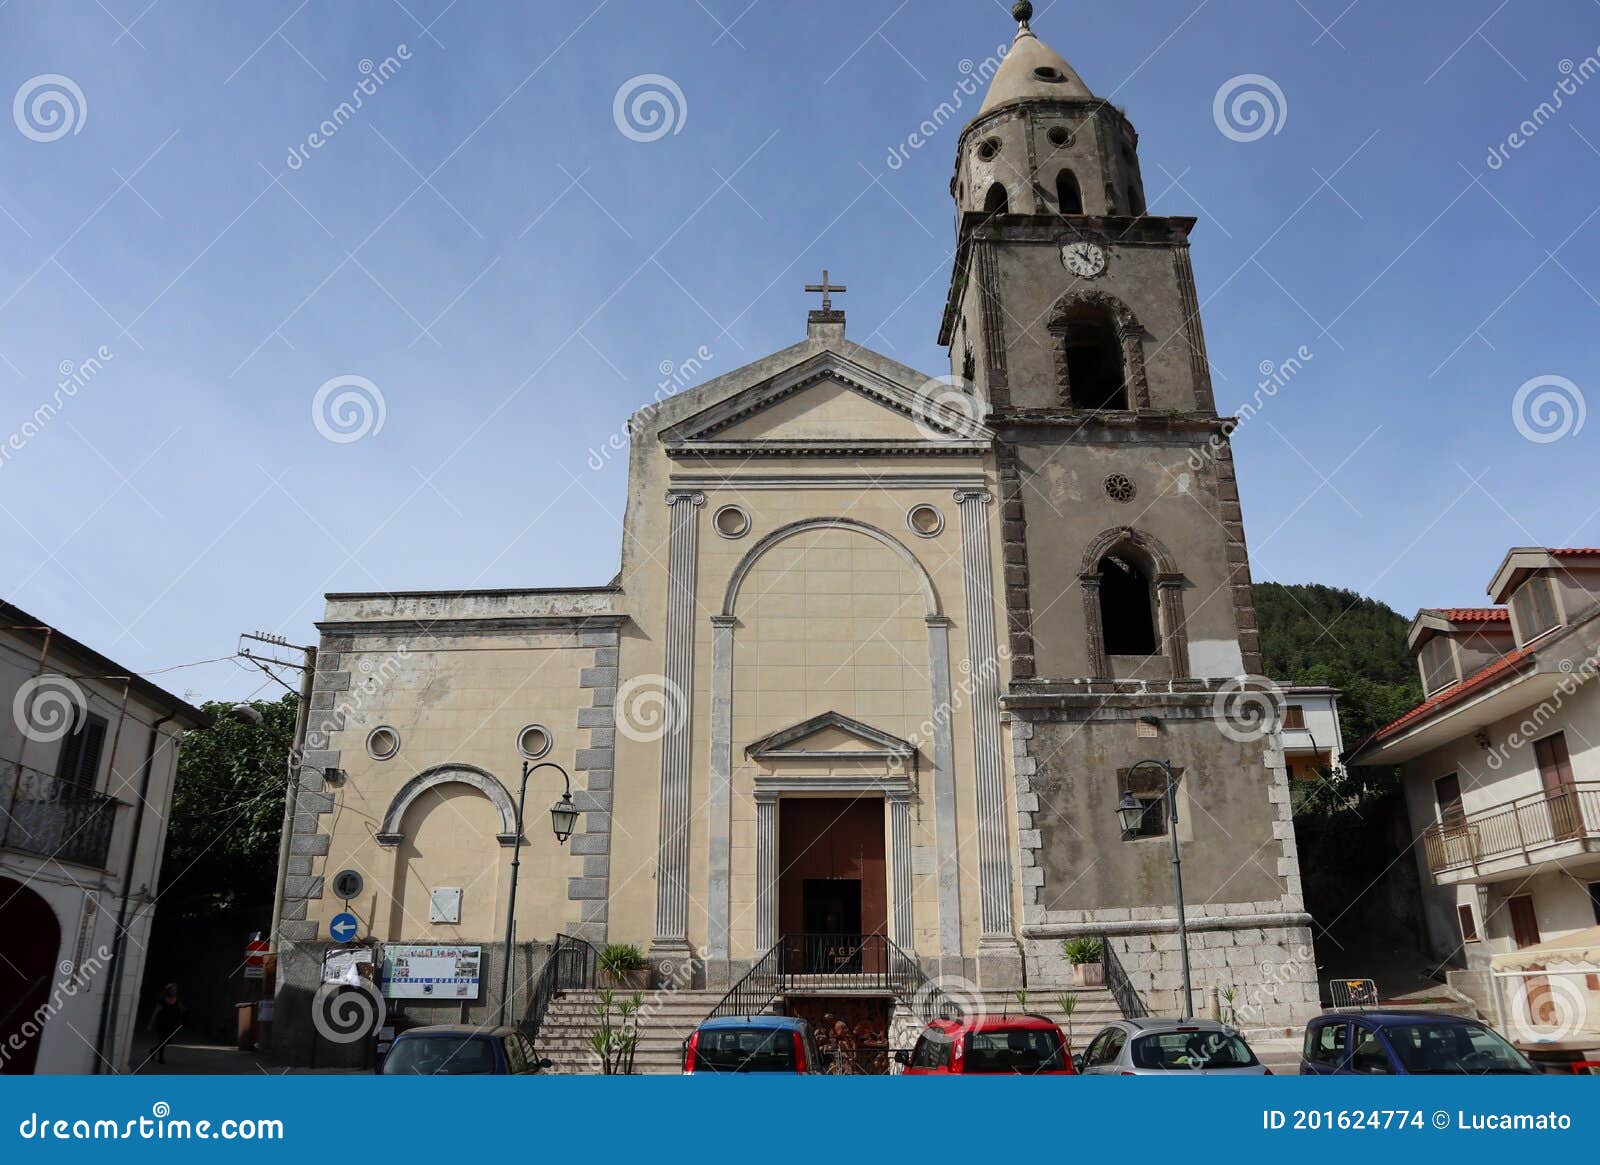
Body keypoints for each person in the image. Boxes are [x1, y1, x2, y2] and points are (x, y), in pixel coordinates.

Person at [146, 984, 185, 1065]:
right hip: (162, 1023)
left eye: (175, 990)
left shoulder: (176, 1000)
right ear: (168, 991)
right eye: (172, 990)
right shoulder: (162, 1000)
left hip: (171, 1023)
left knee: (168, 1041)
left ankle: (153, 1050)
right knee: (163, 1040)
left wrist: (181, 1018)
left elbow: (181, 1010)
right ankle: (160, 1058)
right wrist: (150, 1024)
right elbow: (155, 1012)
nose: (174, 991)